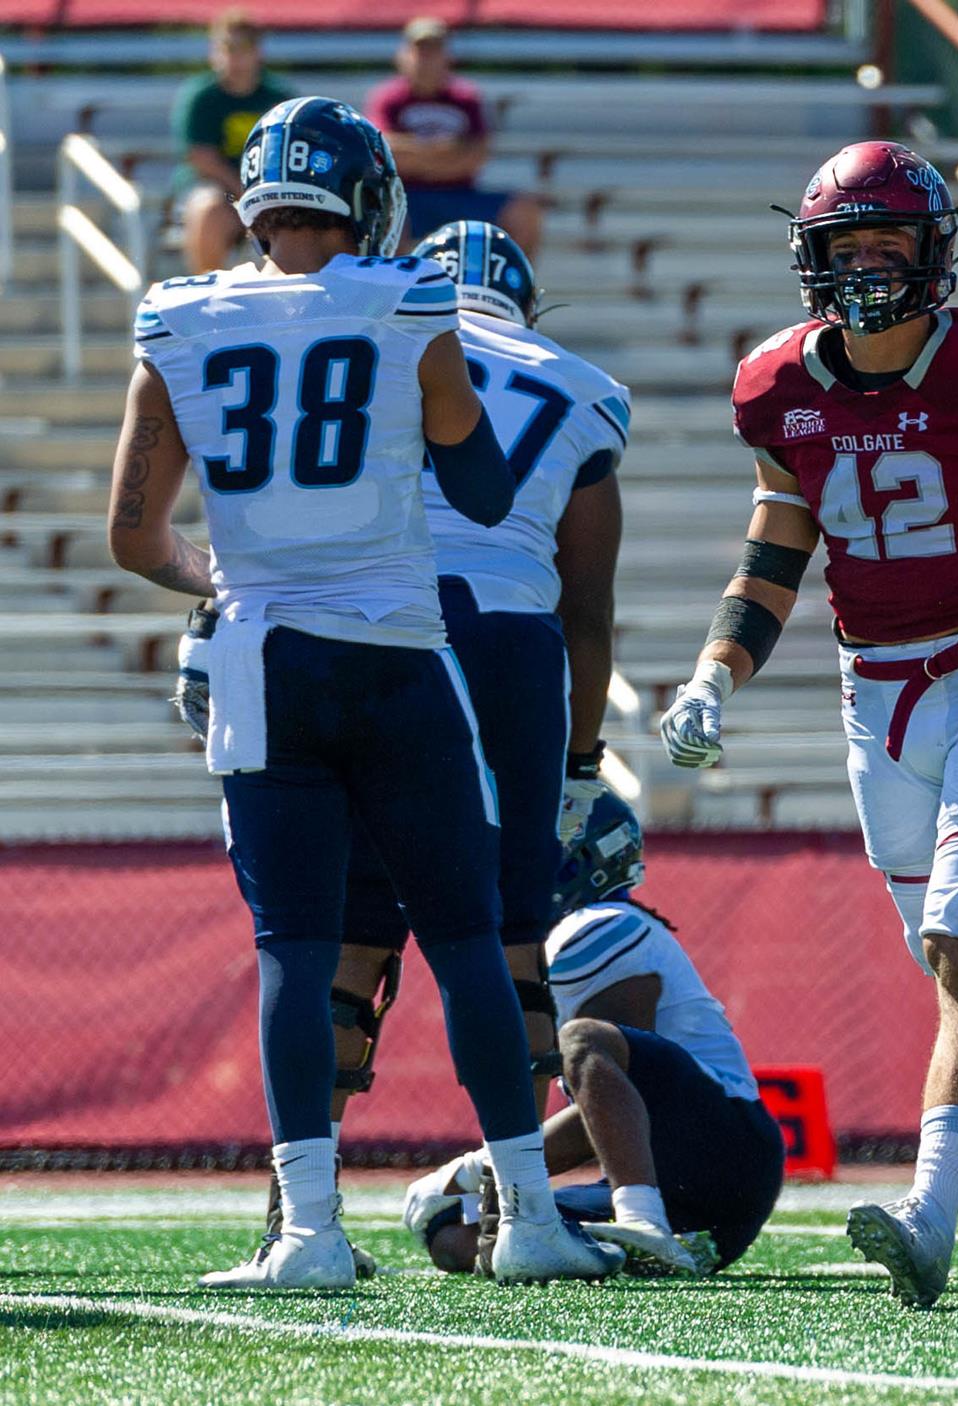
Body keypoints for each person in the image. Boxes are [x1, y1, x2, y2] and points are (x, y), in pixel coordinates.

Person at [110, 97, 619, 1290]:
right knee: (467, 938)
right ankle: (533, 1218)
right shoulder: (405, 301)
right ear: (371, 199)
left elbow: (136, 537)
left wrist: (224, 572)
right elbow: (486, 491)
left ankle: (306, 1233)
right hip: (396, 652)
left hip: (261, 664)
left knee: (295, 946)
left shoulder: (179, 317)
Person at [652, 141, 958, 1307]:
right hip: (872, 694)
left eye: (890, 244)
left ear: (937, 256)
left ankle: (930, 1212)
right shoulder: (779, 384)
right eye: (848, 247)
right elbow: (775, 552)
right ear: (810, 262)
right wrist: (713, 676)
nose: (870, 267)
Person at [403, 791, 785, 1277]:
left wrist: (471, 1169)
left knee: (582, 1039)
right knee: (462, 1238)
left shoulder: (605, 924)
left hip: (722, 1150)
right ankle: (663, 1245)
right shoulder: (569, 935)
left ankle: (643, 1224)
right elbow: (606, 1113)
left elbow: (618, 1098)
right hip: (683, 1191)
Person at [366, 19, 544, 256]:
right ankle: (399, 290)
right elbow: (386, 151)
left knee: (524, 211)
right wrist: (445, 151)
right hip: (407, 197)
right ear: (404, 55)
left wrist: (417, 156)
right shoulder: (388, 97)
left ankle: (514, 290)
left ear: (447, 57)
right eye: (420, 51)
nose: (426, 60)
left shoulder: (466, 97)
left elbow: (477, 155)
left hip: (461, 195)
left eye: (434, 51)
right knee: (387, 217)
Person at [170, 9, 293, 273]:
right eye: (225, 47)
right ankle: (209, 296)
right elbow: (202, 158)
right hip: (222, 192)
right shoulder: (201, 97)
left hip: (266, 192)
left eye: (242, 47)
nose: (233, 55)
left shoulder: (278, 97)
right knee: (209, 209)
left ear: (258, 51)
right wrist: (243, 193)